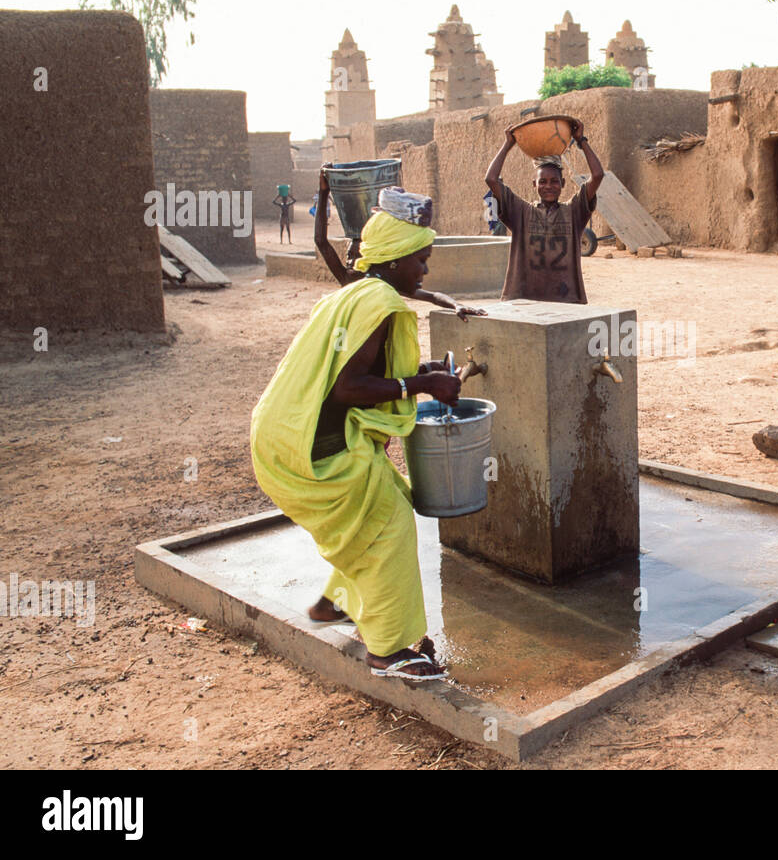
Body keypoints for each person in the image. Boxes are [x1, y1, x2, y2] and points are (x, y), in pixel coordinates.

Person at [250, 205, 462, 680]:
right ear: (393, 262)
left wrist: (420, 373)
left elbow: (357, 371)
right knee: (388, 526)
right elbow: (348, 388)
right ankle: (388, 653)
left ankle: (333, 604)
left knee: (368, 515)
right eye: (420, 260)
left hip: (280, 433)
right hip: (313, 449)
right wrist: (421, 388)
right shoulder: (382, 303)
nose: (425, 270)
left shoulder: (353, 295)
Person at [314, 173, 486, 322]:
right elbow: (321, 241)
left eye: (356, 254)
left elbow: (432, 296)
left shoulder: (385, 281)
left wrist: (457, 305)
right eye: (350, 256)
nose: (353, 259)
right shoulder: (350, 280)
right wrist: (323, 193)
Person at [484, 118, 604, 303]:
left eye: (554, 181)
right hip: (524, 299)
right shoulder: (521, 212)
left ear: (563, 183)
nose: (549, 186)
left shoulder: (574, 212)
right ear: (534, 184)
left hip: (566, 299)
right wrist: (507, 145)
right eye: (543, 181)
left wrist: (582, 141)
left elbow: (597, 175)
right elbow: (491, 179)